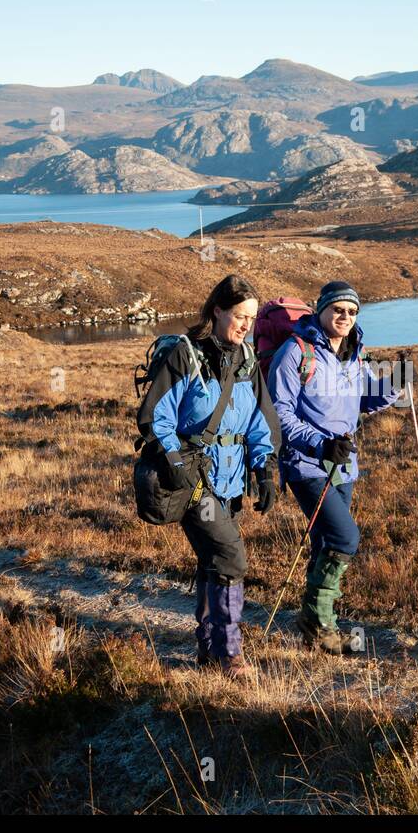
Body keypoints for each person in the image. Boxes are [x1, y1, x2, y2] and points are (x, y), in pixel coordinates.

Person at [136, 274, 280, 679]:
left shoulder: (248, 360)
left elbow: (259, 422)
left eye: (251, 318)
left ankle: (208, 649)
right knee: (231, 557)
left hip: (232, 481)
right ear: (217, 311)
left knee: (212, 562)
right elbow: (154, 418)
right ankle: (229, 654)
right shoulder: (186, 356)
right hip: (195, 478)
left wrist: (264, 470)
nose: (245, 325)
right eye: (239, 316)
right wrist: (180, 468)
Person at [268, 280, 410, 653]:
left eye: (352, 311)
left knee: (324, 542)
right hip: (307, 464)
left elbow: (365, 399)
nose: (345, 317)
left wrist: (395, 382)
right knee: (345, 537)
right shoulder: (295, 353)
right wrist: (319, 443)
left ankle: (314, 628)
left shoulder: (353, 354)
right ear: (321, 311)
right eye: (338, 310)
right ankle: (321, 623)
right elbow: (278, 413)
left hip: (344, 465)